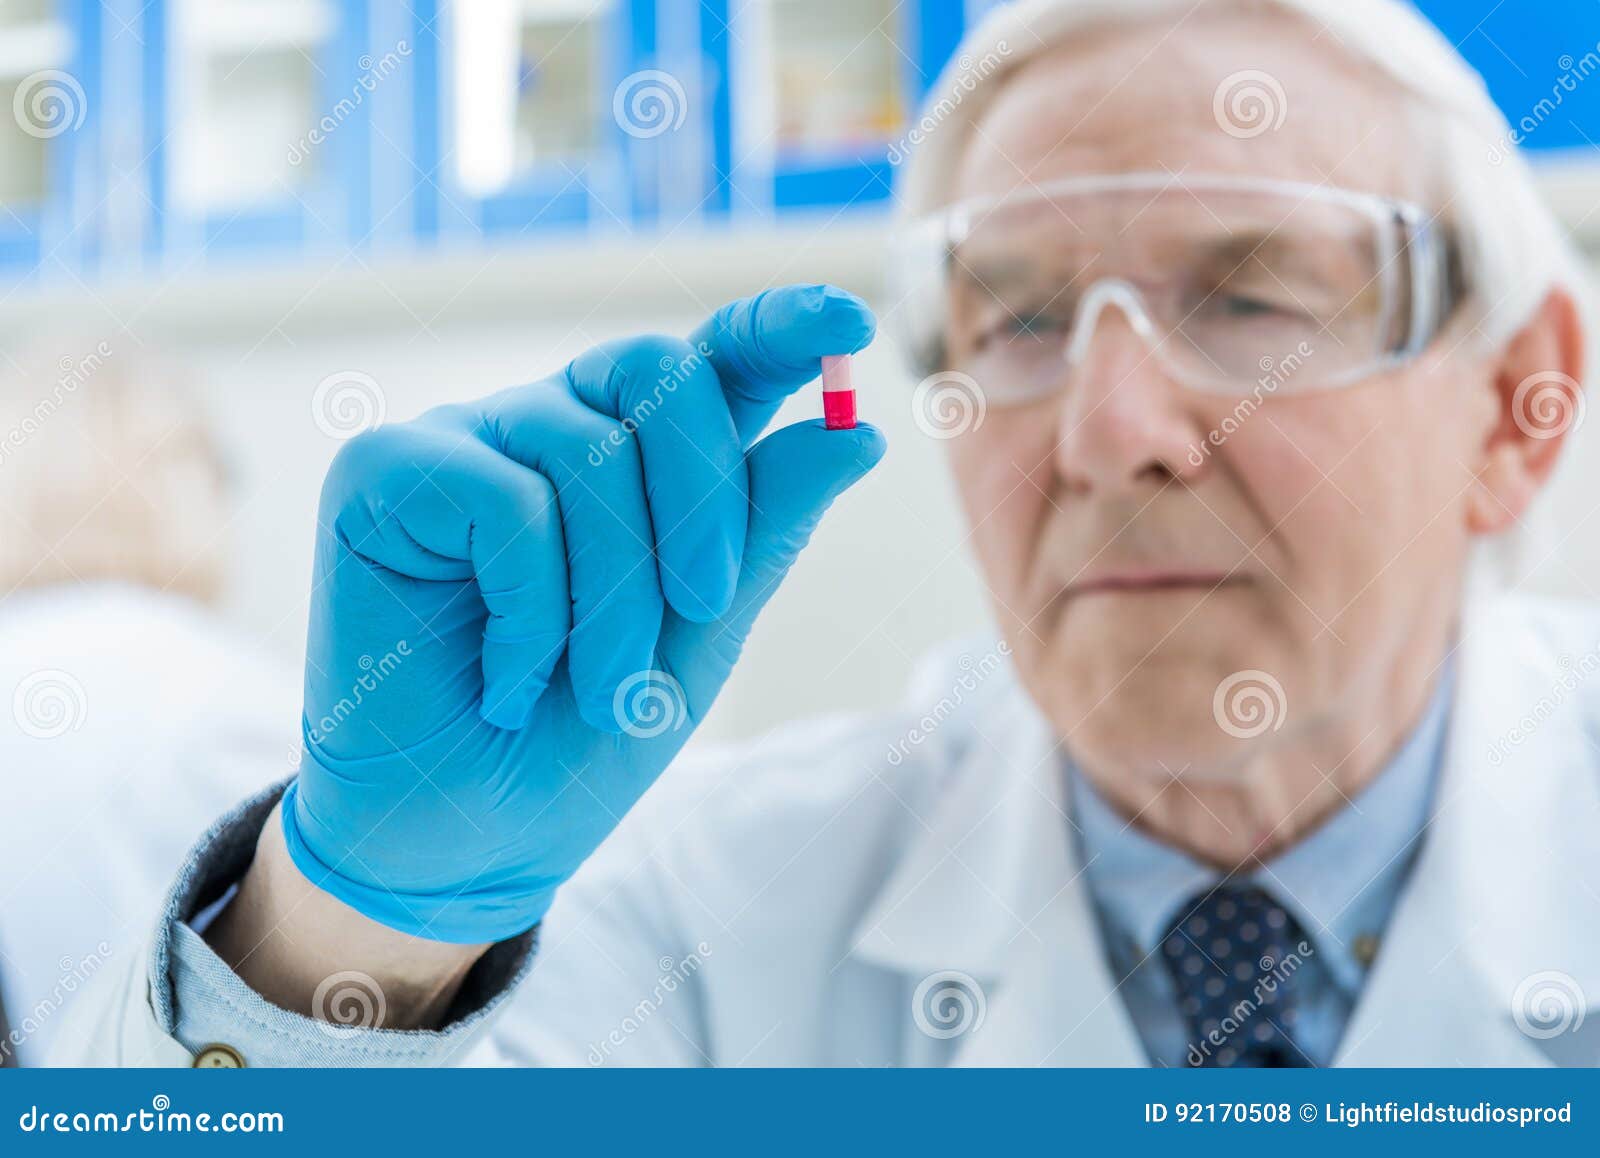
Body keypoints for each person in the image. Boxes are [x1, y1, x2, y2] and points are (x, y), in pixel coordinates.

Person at [65, 0, 1600, 1066]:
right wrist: (349, 928)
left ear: (1518, 401)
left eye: (1251, 299)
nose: (1107, 429)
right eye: (1022, 318)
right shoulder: (710, 910)